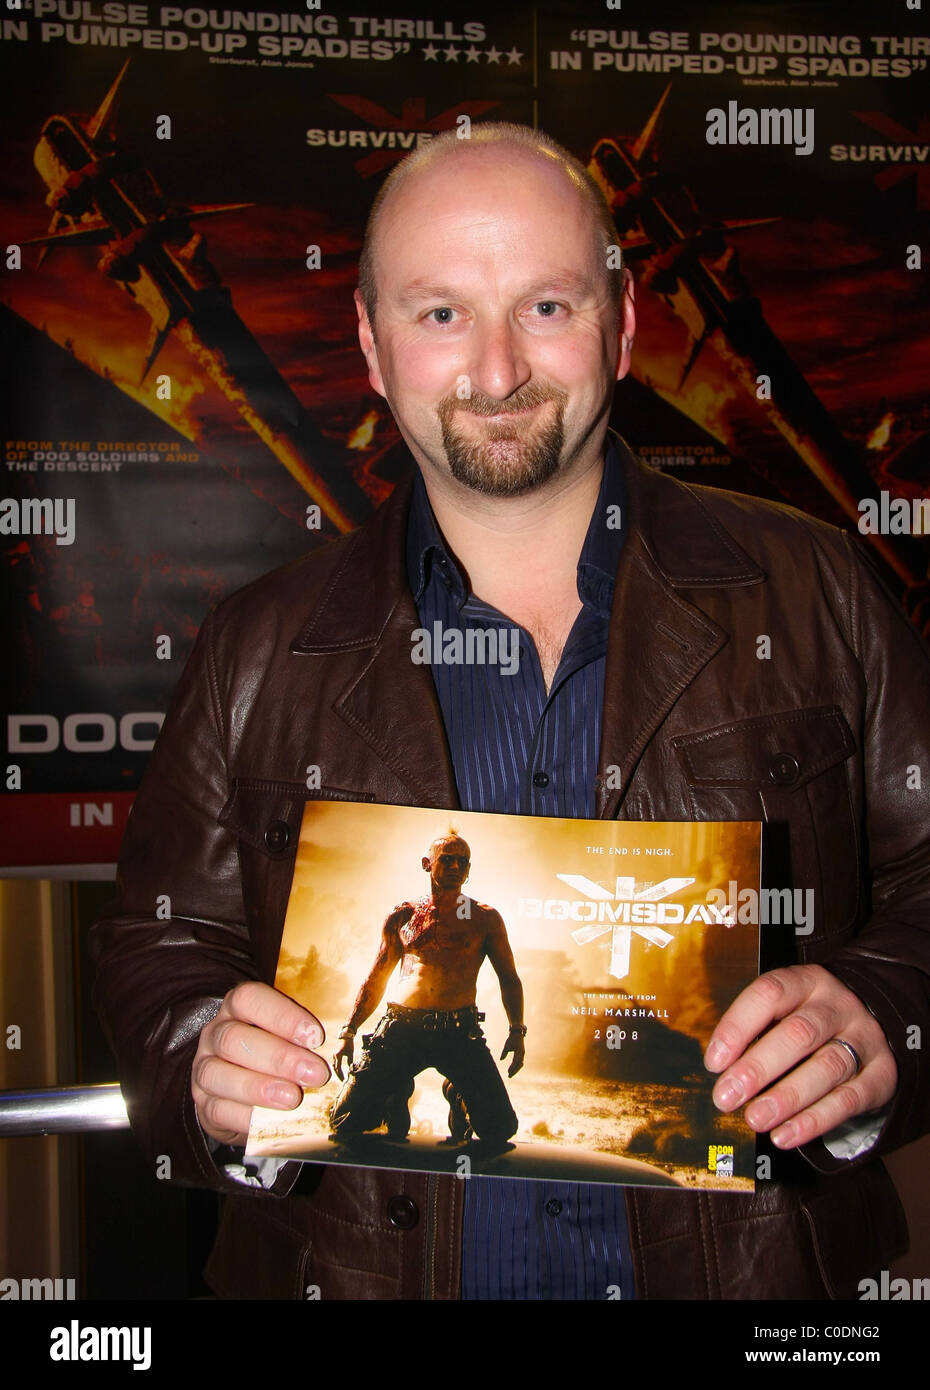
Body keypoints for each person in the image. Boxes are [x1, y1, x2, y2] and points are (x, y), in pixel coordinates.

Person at [90, 121, 930, 1301]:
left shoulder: (822, 589)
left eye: (546, 306)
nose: (496, 373)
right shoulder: (255, 647)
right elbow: (159, 944)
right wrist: (200, 1067)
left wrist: (886, 1016)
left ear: (625, 323)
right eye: (440, 314)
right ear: (374, 346)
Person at [328, 832, 524, 1150]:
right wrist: (348, 1031)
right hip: (401, 1029)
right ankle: (396, 1089)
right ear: (427, 864)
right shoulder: (403, 916)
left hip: (459, 1032)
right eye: (447, 859)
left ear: (469, 869)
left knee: (500, 1128)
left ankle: (457, 1091)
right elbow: (376, 977)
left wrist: (517, 1031)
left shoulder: (485, 919)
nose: (456, 866)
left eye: (463, 861)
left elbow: (509, 978)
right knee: (344, 1121)